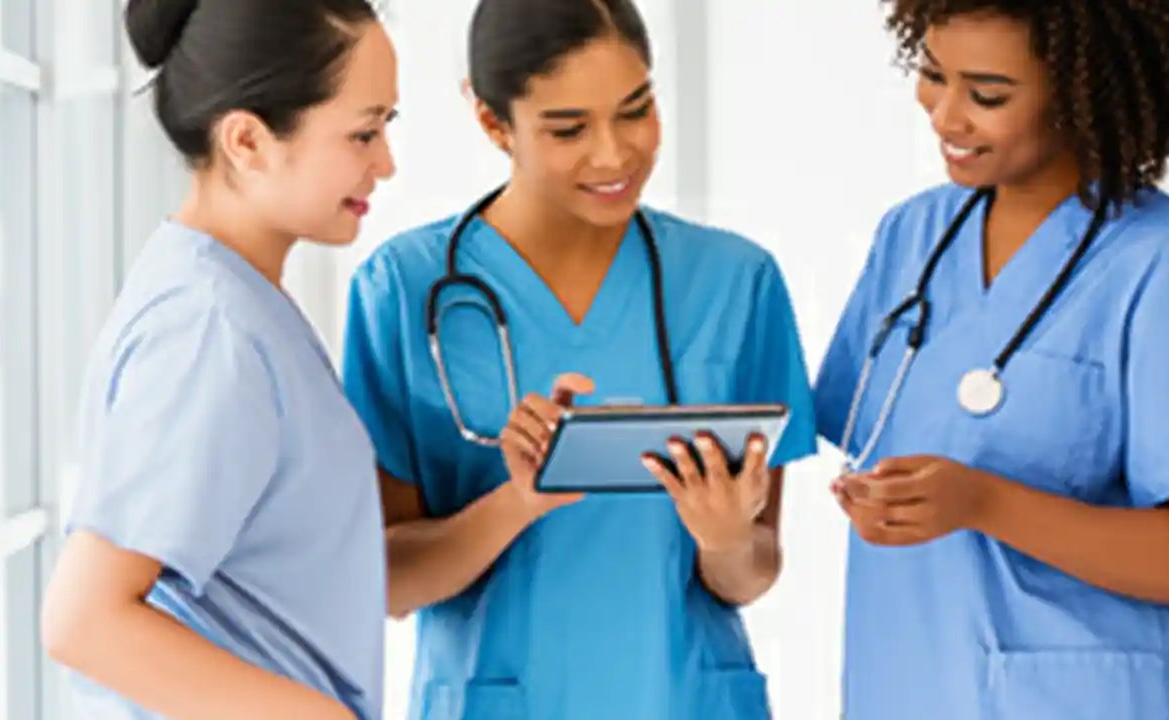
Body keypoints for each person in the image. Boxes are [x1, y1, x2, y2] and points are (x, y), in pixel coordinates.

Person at [340, 1, 815, 718]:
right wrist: (517, 501)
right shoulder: (404, 289)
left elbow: (752, 572)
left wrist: (723, 541)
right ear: (492, 122)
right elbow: (388, 584)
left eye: (636, 110)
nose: (614, 155)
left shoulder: (735, 284)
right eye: (568, 129)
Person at [812, 1, 1169, 718]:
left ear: (1084, 96)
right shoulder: (913, 236)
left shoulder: (1167, 264)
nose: (945, 116)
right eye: (933, 75)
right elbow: (859, 435)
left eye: (987, 95)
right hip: (908, 686)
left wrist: (984, 502)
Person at [40, 1, 398, 718]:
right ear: (247, 141)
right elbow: (85, 622)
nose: (385, 164)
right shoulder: (212, 330)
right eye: (363, 133)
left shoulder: (238, 302)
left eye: (387, 126)